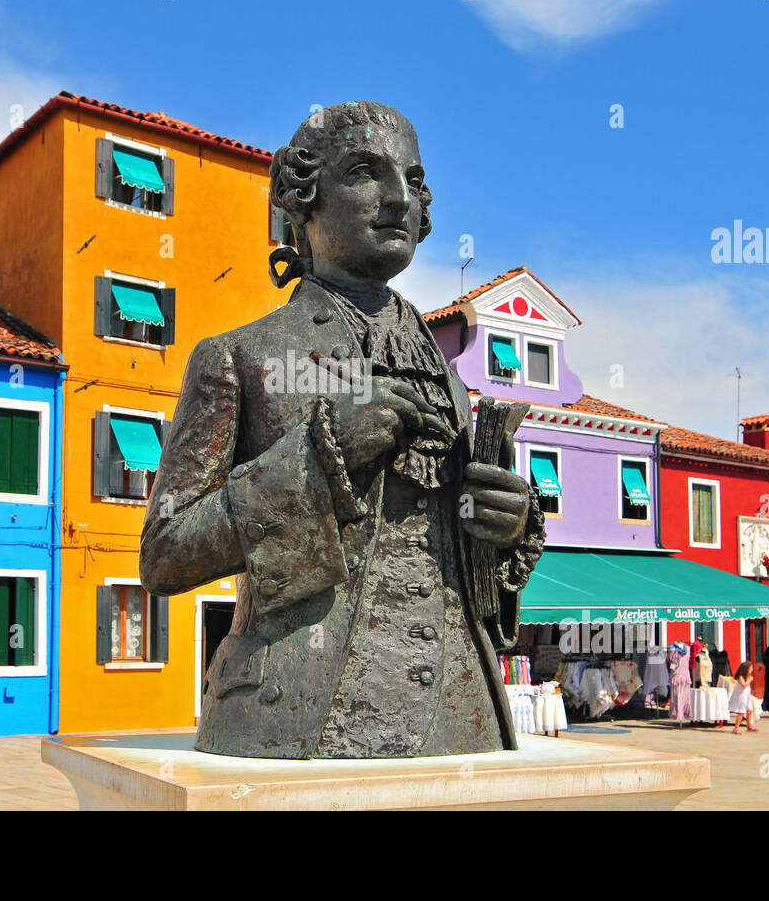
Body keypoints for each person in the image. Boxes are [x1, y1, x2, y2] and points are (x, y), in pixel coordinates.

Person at [140, 102, 545, 759]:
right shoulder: (239, 358)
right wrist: (317, 462)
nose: (398, 199)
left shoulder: (453, 384)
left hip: (462, 722)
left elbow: (465, 575)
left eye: (413, 181)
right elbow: (164, 552)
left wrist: (502, 527)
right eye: (365, 172)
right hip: (297, 720)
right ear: (304, 199)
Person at [728, 661, 758, 734]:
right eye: (750, 668)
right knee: (741, 712)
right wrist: (749, 680)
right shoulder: (741, 677)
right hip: (741, 697)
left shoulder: (748, 677)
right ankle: (736, 728)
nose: (752, 670)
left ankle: (749, 725)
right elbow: (744, 685)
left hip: (747, 696)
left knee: (750, 710)